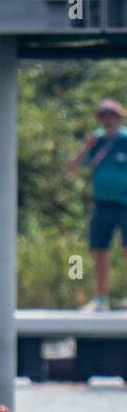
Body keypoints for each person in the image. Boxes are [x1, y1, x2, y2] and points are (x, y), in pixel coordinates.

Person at [67, 99, 127, 311]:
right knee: (99, 250)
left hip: (125, 204)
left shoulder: (125, 140)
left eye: (111, 115)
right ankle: (101, 299)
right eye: (103, 116)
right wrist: (86, 147)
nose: (107, 120)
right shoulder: (97, 142)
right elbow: (72, 167)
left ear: (119, 117)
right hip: (102, 205)